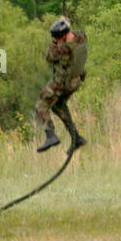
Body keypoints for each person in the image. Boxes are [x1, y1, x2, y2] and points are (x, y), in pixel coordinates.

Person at [35, 17, 88, 153]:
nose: (56, 41)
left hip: (62, 83)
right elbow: (74, 34)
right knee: (58, 106)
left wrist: (55, 42)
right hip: (75, 82)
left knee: (41, 105)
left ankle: (50, 135)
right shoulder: (81, 38)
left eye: (57, 38)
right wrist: (65, 24)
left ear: (63, 37)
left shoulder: (61, 49)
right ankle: (76, 137)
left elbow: (49, 56)